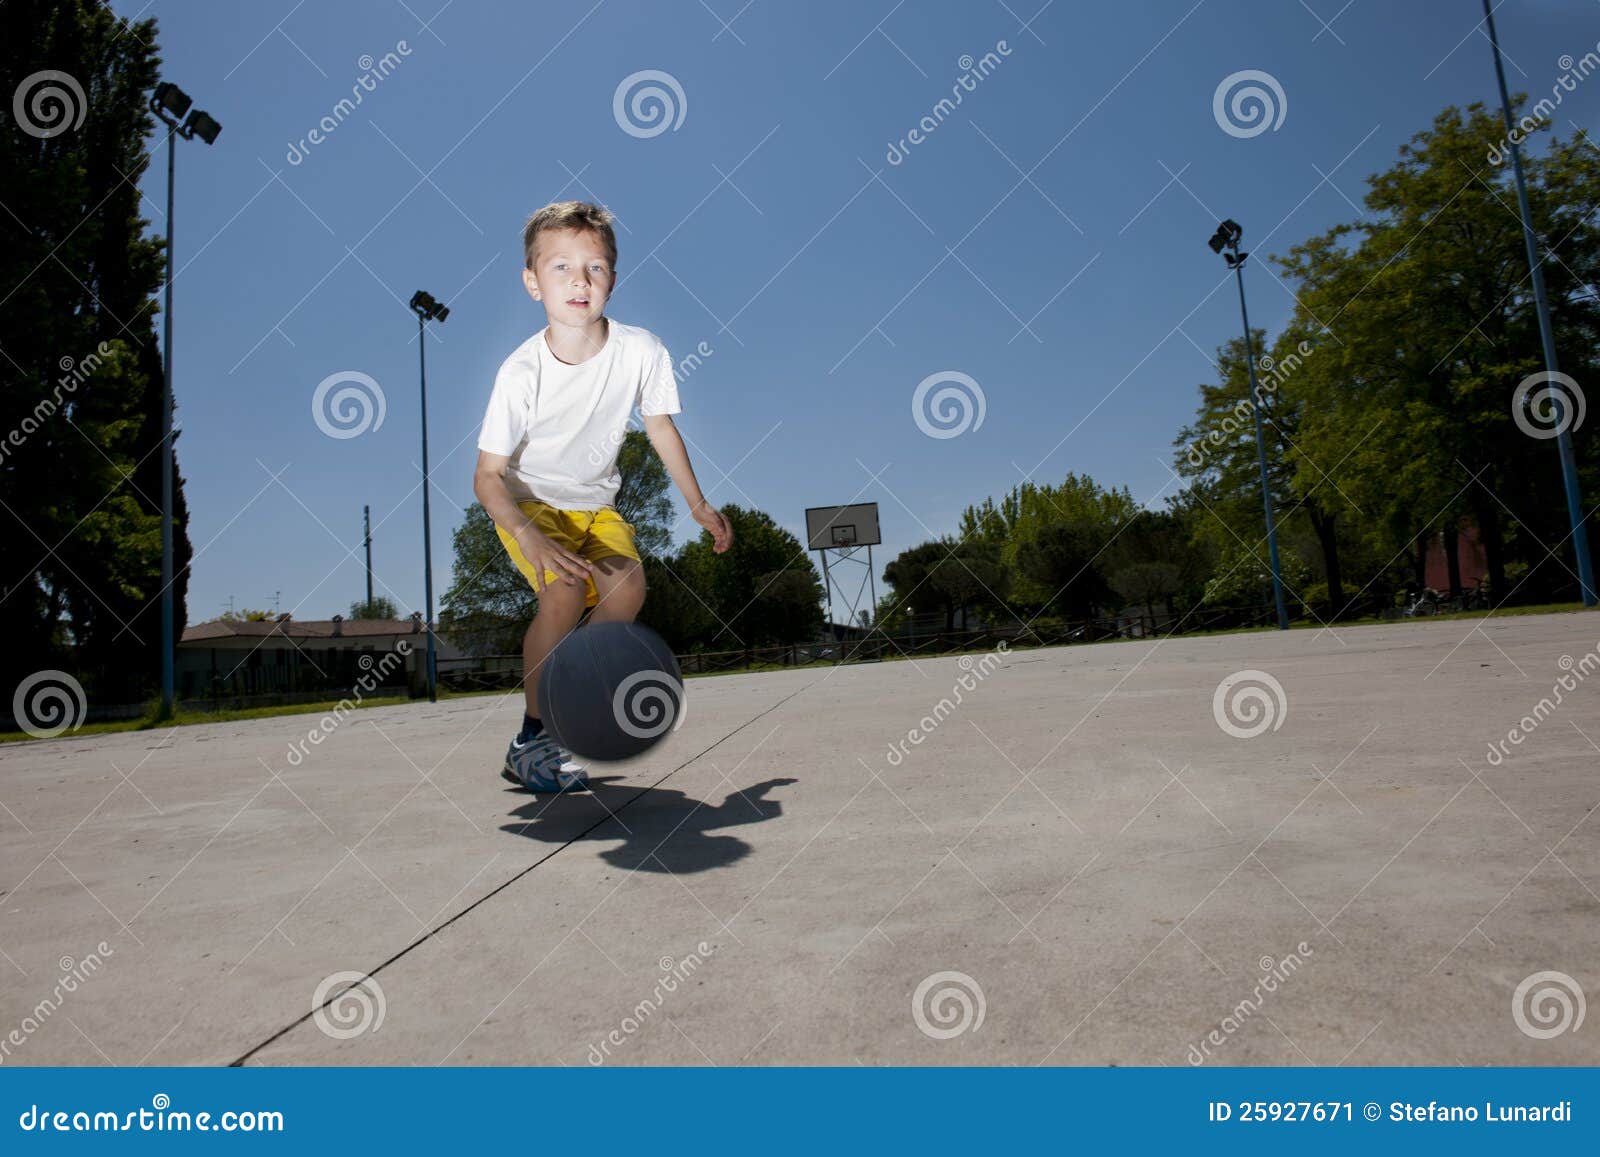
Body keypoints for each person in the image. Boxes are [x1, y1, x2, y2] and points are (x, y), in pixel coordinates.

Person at [473, 200, 732, 792]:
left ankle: (572, 686)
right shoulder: (521, 373)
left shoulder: (642, 350)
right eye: (561, 267)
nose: (579, 281)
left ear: (613, 277)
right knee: (563, 591)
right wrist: (528, 535)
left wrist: (696, 503)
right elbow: (486, 477)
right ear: (532, 282)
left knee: (627, 585)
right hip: (531, 505)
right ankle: (531, 737)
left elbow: (661, 427)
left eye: (595, 266)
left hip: (596, 506)